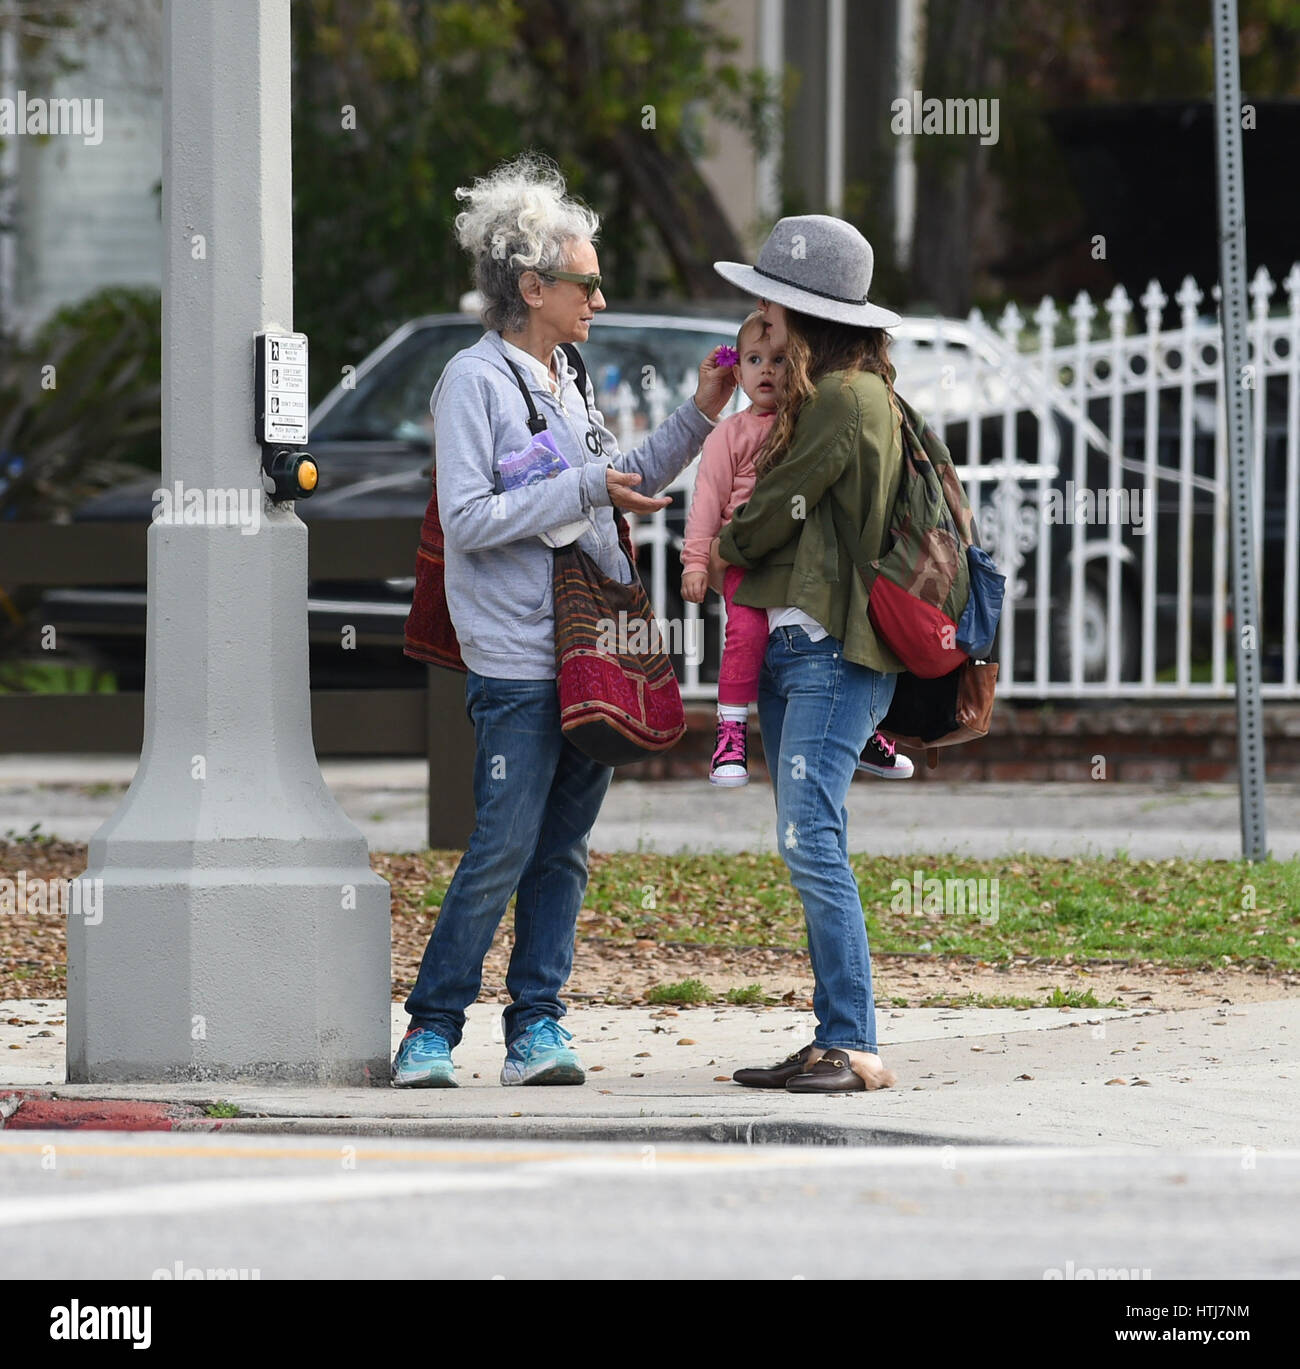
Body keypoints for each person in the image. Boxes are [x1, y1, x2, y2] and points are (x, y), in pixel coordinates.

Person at [393, 153, 736, 1089]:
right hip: (513, 658)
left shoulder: (567, 375)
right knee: (503, 842)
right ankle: (430, 1030)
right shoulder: (474, 382)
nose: (600, 295)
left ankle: (537, 1026)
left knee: (564, 850)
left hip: (589, 651)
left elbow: (612, 481)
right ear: (532, 285)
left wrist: (701, 416)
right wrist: (585, 482)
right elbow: (467, 518)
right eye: (586, 281)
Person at [713, 214, 907, 1094]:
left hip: (832, 652)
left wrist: (724, 535)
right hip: (802, 646)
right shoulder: (844, 391)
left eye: (773, 304)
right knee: (807, 837)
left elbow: (771, 509)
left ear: (808, 313)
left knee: (811, 838)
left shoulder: (843, 399)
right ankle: (835, 1031)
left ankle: (853, 1040)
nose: (761, 316)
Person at [682, 312, 913, 786]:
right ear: (737, 372)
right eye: (753, 360)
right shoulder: (729, 434)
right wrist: (698, 559)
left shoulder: (812, 412)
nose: (766, 370)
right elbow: (706, 501)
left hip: (792, 571)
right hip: (747, 565)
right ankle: (730, 730)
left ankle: (864, 729)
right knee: (744, 635)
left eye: (779, 359)